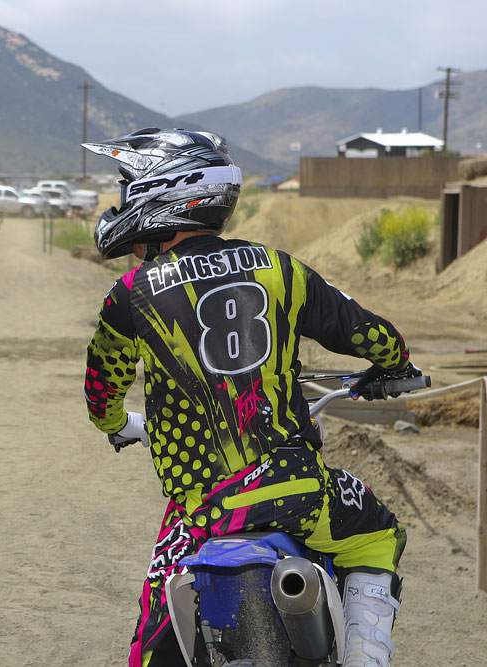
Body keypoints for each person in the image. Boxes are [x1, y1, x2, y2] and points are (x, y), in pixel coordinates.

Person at [83, 127, 416, 667]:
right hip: (300, 492)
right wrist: (395, 367)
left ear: (161, 191)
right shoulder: (281, 268)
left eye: (127, 187)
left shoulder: (129, 296)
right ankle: (365, 656)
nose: (120, 201)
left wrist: (115, 423)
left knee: (150, 638)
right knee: (378, 532)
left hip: (202, 513)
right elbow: (371, 334)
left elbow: (102, 389)